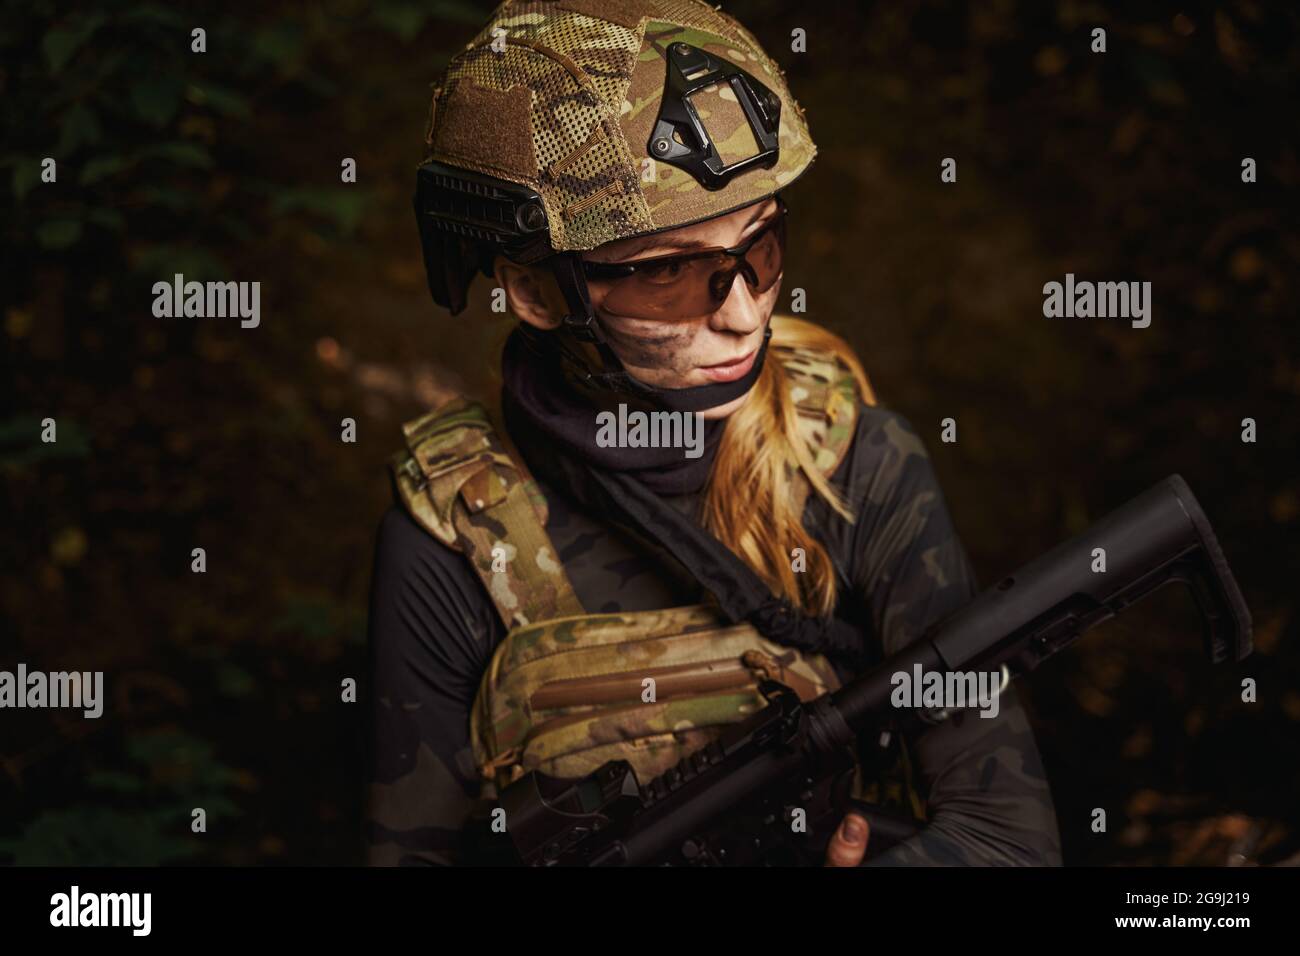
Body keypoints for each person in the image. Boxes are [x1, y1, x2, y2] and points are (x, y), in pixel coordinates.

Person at [365, 0, 1061, 867]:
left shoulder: (852, 458)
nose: (744, 317)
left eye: (761, 249)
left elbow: (1007, 841)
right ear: (538, 294)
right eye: (669, 276)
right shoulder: (455, 532)